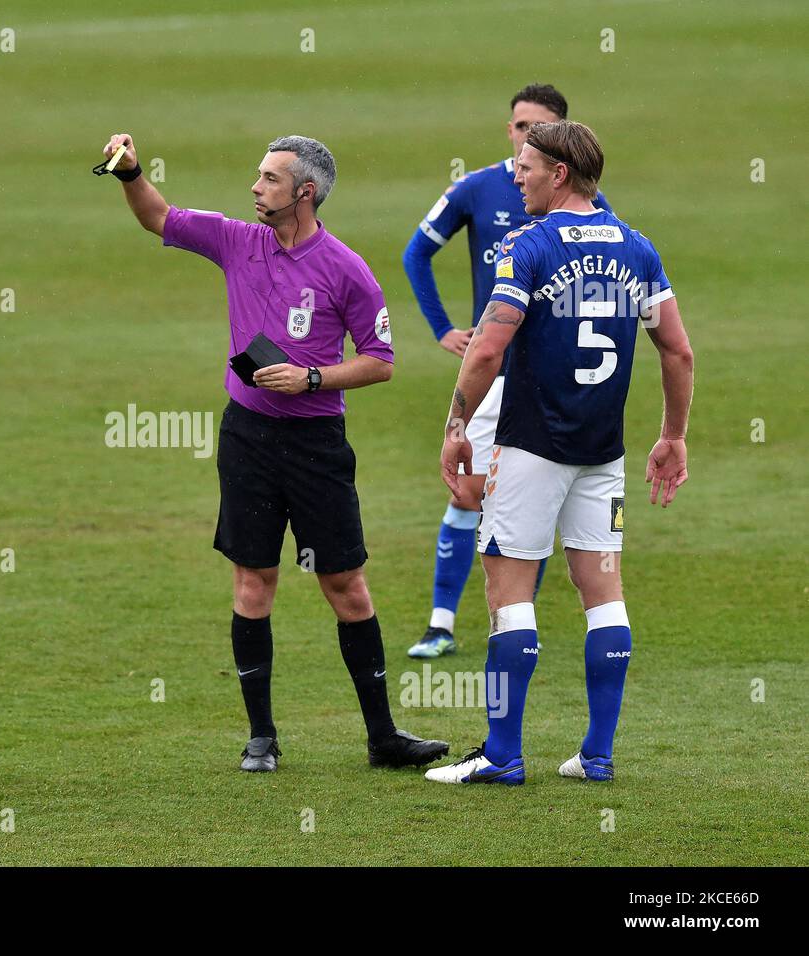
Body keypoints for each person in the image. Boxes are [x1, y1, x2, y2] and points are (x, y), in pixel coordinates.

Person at [100, 131, 449, 773]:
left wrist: (311, 378)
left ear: (304, 192)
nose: (255, 188)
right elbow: (158, 216)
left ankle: (382, 738)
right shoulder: (238, 240)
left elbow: (380, 363)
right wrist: (131, 172)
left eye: (269, 179)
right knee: (252, 580)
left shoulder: (347, 268)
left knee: (344, 584)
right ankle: (261, 737)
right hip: (249, 440)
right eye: (258, 176)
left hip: (316, 446)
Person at [424, 121, 692, 785]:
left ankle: (502, 755)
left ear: (559, 174)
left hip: (532, 448)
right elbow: (678, 350)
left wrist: (457, 423)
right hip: (603, 453)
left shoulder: (529, 246)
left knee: (508, 590)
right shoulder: (637, 248)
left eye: (526, 167)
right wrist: (673, 435)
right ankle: (596, 755)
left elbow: (487, 348)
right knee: (603, 595)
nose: (516, 177)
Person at [403, 85, 612, 659]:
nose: (522, 137)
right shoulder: (478, 187)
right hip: (491, 370)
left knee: (530, 503)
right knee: (466, 491)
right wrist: (444, 328)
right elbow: (415, 253)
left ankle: (516, 625)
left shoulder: (588, 213)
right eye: (517, 125)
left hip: (542, 378)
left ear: (561, 147)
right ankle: (443, 622)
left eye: (535, 128)